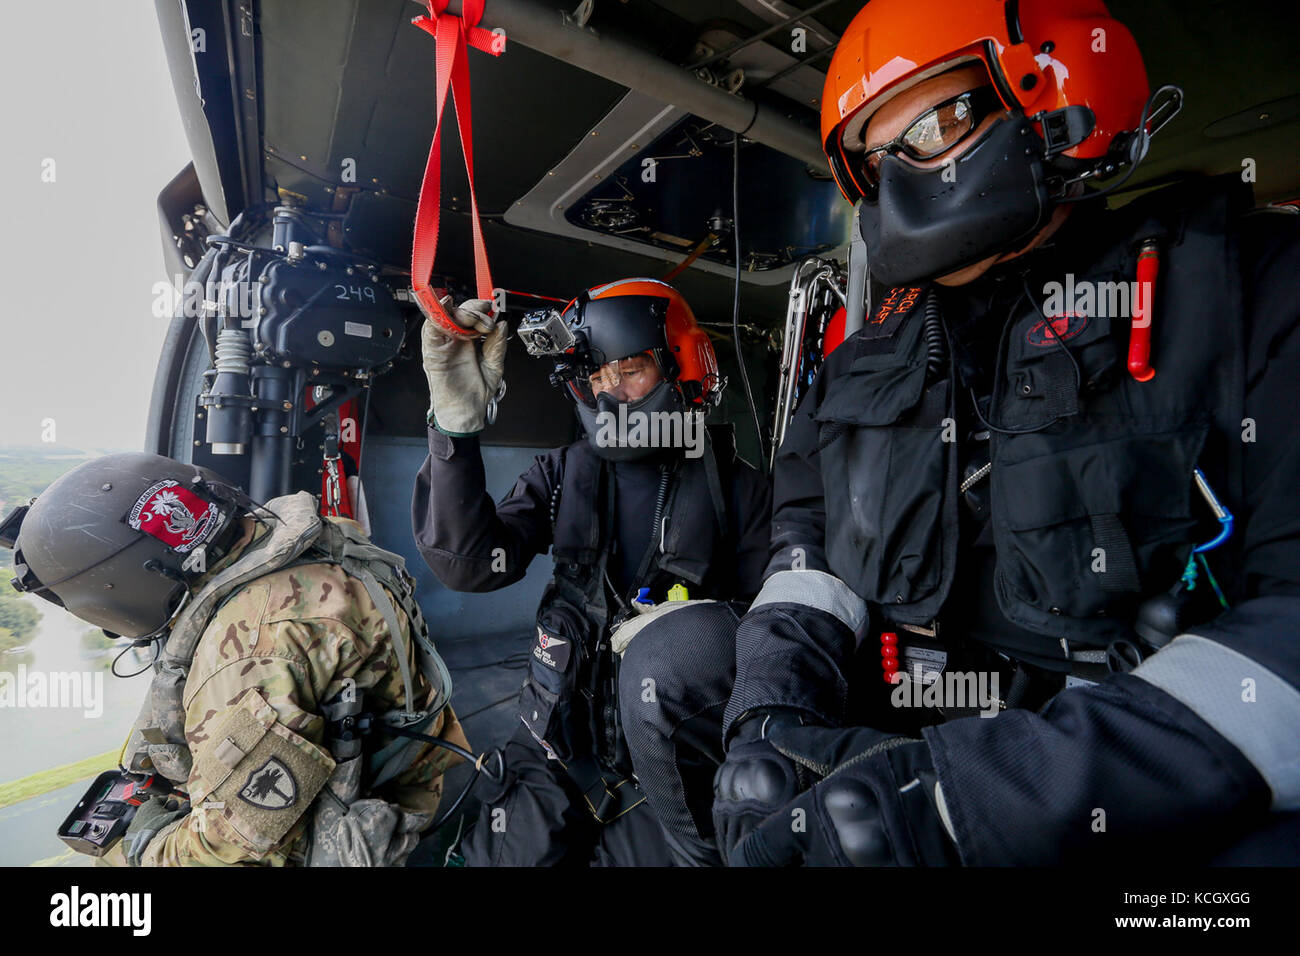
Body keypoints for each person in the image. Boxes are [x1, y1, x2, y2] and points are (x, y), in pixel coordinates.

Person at [689, 0, 1300, 865]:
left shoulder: (1251, 289)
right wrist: (769, 714)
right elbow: (808, 551)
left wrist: (971, 802)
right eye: (872, 157)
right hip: (894, 726)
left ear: (1051, 91)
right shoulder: (862, 361)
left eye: (936, 122)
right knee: (681, 659)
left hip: (1119, 784)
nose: (897, 179)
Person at [412, 278, 771, 865]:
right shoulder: (563, 474)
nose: (610, 396)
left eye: (628, 369)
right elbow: (472, 566)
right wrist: (455, 433)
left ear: (681, 364)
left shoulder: (741, 492)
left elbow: (770, 642)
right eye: (595, 377)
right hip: (552, 748)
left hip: (670, 773)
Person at [2, 452, 466, 866]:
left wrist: (141, 846)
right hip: (389, 759)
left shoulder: (250, 656)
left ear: (115, 589)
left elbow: (229, 846)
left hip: (374, 814)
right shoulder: (307, 540)